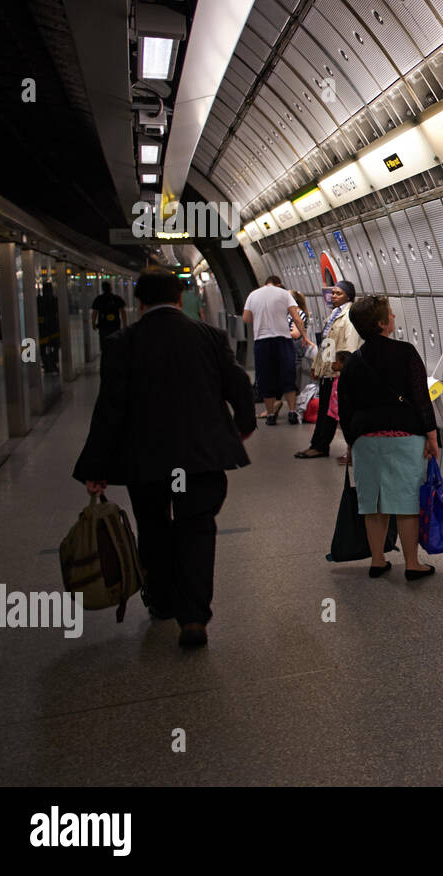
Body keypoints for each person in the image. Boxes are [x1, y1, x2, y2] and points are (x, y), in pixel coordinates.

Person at [72, 267, 256, 647]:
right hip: (198, 458)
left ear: (139, 303)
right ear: (179, 298)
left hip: (149, 460)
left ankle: (162, 601)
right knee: (197, 528)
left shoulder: (123, 342)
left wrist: (96, 467)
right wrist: (244, 423)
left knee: (153, 527)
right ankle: (194, 619)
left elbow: (110, 408)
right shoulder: (209, 335)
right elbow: (237, 382)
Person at [337, 294, 440, 581]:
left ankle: (378, 560)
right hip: (404, 436)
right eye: (391, 314)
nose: (394, 318)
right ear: (382, 323)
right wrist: (432, 436)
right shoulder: (405, 352)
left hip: (365, 440)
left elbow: (345, 406)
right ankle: (411, 563)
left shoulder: (353, 362)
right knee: (406, 503)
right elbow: (421, 398)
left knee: (373, 503)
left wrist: (351, 440)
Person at [295, 281, 359, 459]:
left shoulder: (349, 316)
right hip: (329, 371)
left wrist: (343, 367)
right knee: (326, 411)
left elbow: (350, 345)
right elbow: (327, 344)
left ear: (348, 296)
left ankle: (326, 446)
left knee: (336, 413)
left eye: (338, 293)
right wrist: (318, 365)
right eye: (333, 293)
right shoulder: (334, 315)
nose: (334, 296)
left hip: (339, 372)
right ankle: (318, 445)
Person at [241, 275, 309, 425]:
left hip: (262, 341)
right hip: (283, 339)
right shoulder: (284, 294)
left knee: (265, 377)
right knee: (288, 374)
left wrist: (259, 317)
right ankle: (292, 411)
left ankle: (270, 414)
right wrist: (305, 336)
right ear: (279, 284)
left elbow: (246, 318)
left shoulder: (253, 295)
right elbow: (297, 318)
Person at [90, 280, 127, 351]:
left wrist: (93, 323)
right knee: (115, 343)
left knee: (104, 344)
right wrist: (124, 323)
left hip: (103, 326)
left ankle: (106, 356)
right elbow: (123, 312)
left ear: (102, 289)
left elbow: (95, 312)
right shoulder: (117, 298)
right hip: (115, 325)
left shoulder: (98, 299)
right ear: (111, 288)